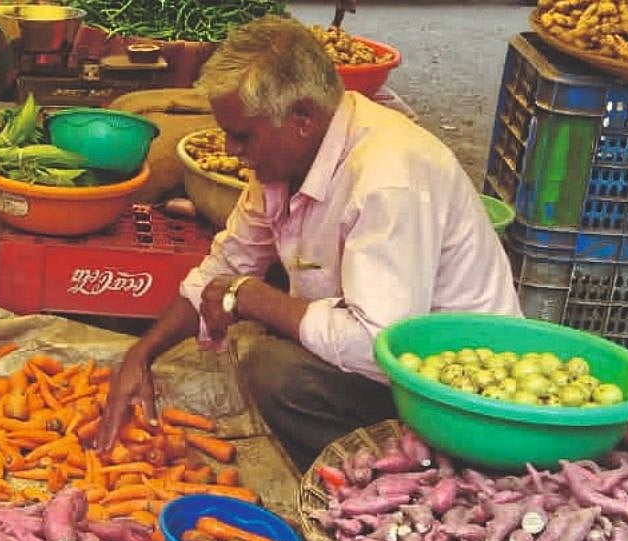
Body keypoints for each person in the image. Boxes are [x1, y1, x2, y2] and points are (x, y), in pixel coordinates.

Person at [95, 16, 522, 470]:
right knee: (256, 321)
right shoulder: (284, 164)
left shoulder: (387, 178)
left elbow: (382, 349)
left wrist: (256, 299)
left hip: (459, 395)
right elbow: (224, 266)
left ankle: (384, 481)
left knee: (274, 370)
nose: (232, 150)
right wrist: (140, 356)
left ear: (301, 117)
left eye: (242, 136)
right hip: (385, 354)